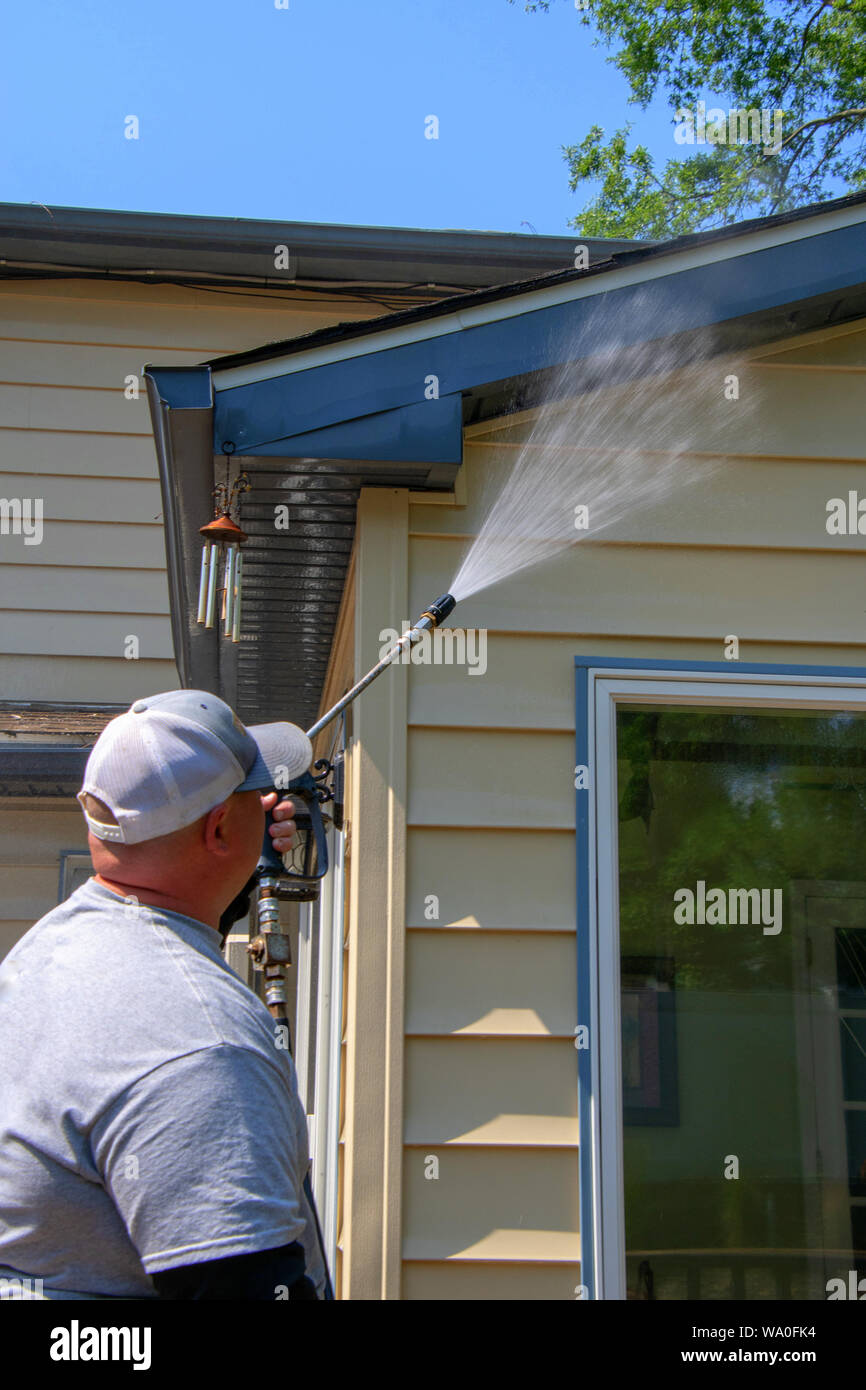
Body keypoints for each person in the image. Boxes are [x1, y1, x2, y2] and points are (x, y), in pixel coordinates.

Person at [0, 689, 330, 1301]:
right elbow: (242, 1286)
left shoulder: (53, 948)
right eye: (251, 796)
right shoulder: (203, 1043)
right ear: (219, 826)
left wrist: (221, 877)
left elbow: (155, 953)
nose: (271, 803)